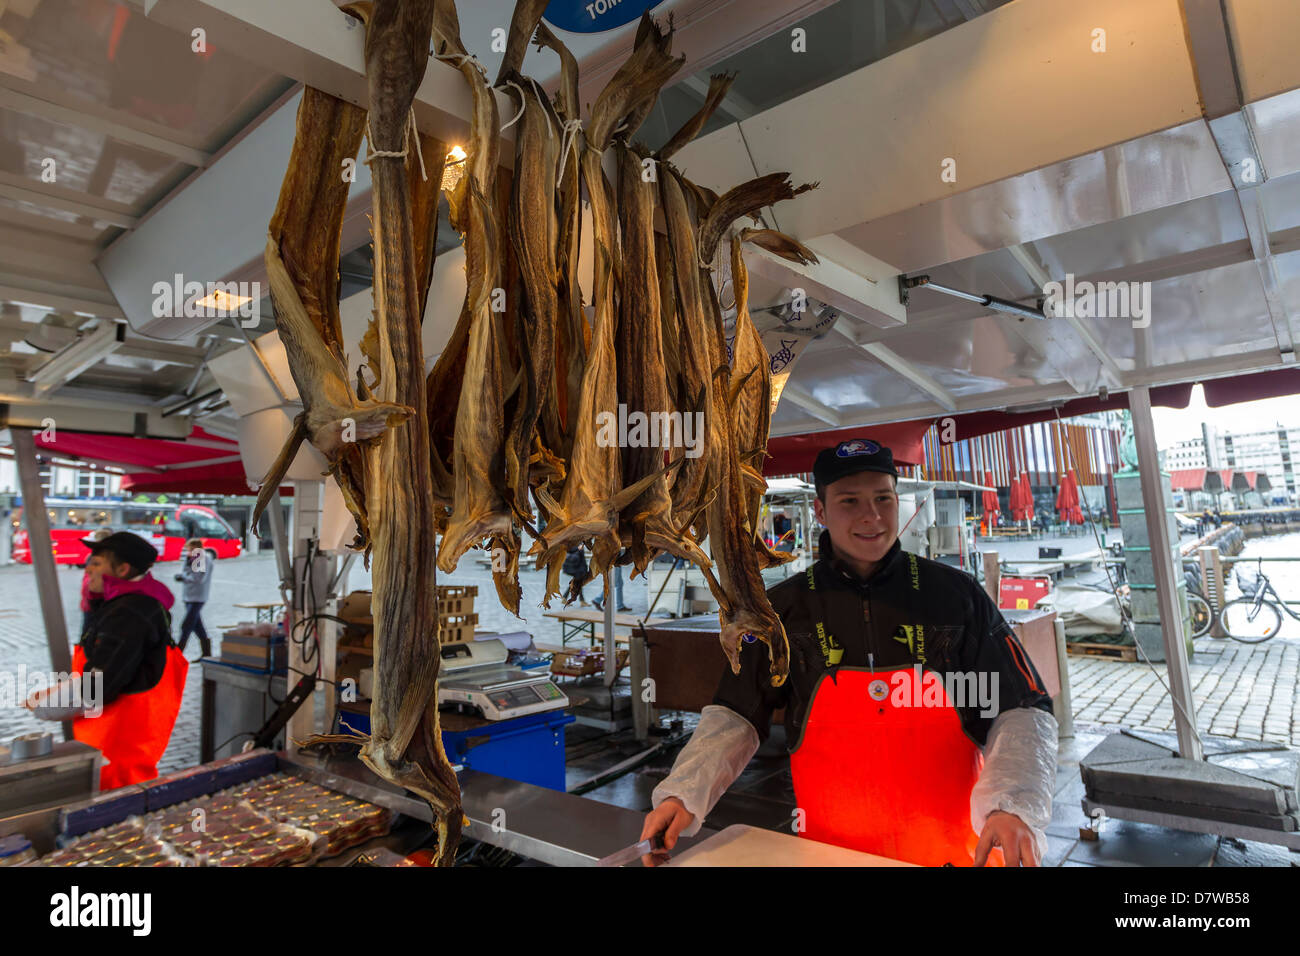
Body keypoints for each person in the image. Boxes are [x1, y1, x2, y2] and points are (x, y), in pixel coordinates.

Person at [640, 439, 1058, 867]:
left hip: (953, 852)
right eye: (850, 501)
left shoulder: (956, 596)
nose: (871, 516)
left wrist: (1012, 805)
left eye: (883, 499)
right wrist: (684, 793)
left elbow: (1022, 709)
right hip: (827, 852)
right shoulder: (783, 610)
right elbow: (737, 715)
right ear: (820, 511)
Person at [28, 531, 187, 791]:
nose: (88, 567)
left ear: (122, 569)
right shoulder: (129, 604)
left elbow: (98, 687)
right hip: (116, 748)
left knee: (116, 817)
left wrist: (45, 705)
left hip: (116, 757)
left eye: (97, 562)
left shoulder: (129, 613)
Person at [174, 538, 213, 658]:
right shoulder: (192, 558)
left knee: (187, 625)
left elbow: (197, 578)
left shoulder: (200, 558)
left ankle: (177, 653)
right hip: (190, 596)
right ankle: (206, 653)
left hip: (197, 597)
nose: (187, 552)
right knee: (197, 626)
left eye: (189, 550)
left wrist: (183, 577)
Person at [78, 527, 113, 636]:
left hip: (98, 604)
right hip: (89, 602)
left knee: (91, 636)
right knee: (86, 636)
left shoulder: (108, 559)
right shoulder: (92, 557)